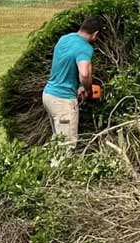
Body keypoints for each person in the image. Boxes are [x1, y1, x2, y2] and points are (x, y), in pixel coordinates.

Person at [42, 16, 102, 147]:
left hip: (48, 95)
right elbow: (85, 74)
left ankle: (50, 167)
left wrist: (78, 86)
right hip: (63, 102)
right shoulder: (85, 48)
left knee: (58, 143)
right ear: (95, 34)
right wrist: (88, 91)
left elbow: (65, 66)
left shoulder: (64, 39)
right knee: (66, 148)